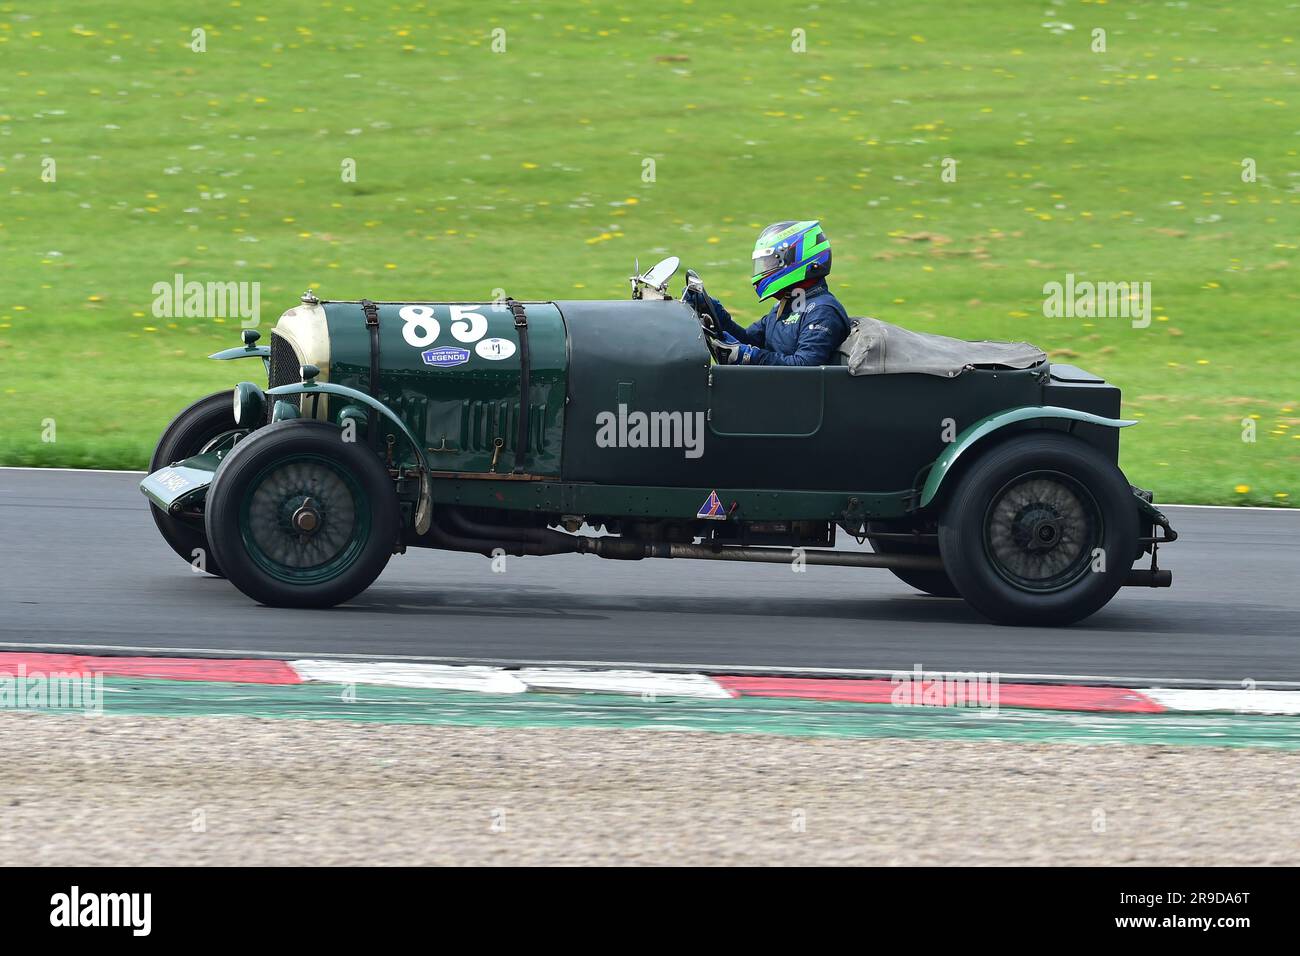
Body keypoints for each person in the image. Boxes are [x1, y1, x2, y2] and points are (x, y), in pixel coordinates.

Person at [685, 220, 850, 366]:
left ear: (797, 259)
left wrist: (754, 357)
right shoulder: (788, 303)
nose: (764, 269)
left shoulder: (823, 311)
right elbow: (749, 341)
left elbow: (806, 366)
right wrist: (719, 315)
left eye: (770, 262)